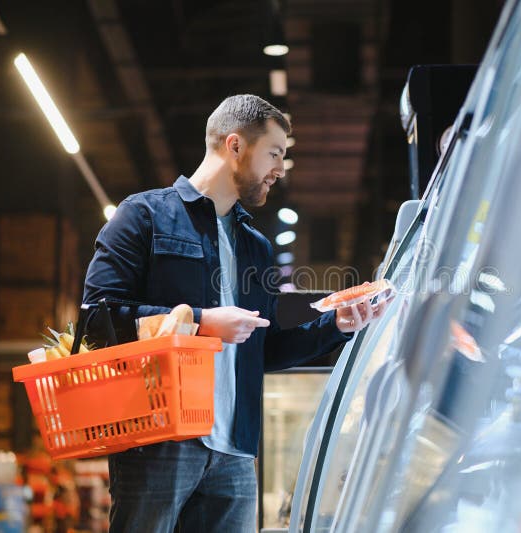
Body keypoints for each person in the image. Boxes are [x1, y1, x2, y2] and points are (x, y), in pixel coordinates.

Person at [82, 94, 385, 532]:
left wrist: (337, 324)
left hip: (236, 452)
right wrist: (201, 323)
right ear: (236, 145)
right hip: (159, 440)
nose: (280, 169)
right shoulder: (143, 215)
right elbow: (98, 318)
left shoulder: (255, 247)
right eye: (275, 153)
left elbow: (265, 350)